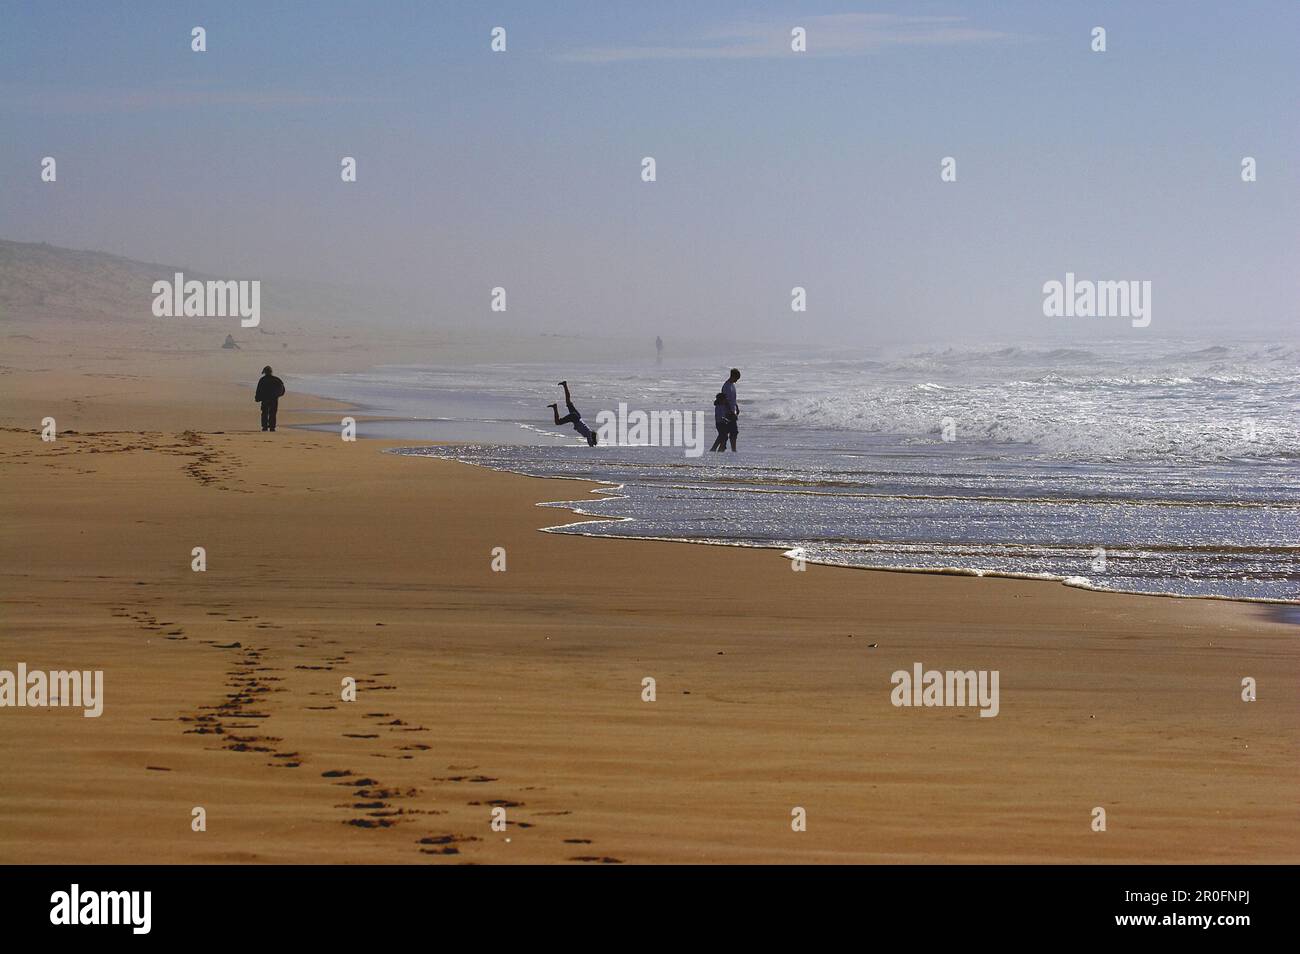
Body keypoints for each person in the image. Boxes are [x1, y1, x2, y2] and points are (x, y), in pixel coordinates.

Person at [548, 380, 598, 446]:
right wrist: (593, 447)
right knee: (557, 422)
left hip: (578, 417)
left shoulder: (589, 432)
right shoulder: (589, 434)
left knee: (568, 402)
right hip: (575, 418)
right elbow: (590, 444)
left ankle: (565, 385)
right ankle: (555, 407)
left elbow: (590, 441)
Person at [254, 366, 286, 432]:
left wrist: (257, 398)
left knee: (264, 413)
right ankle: (272, 427)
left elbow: (258, 390)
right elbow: (282, 390)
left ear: (265, 372)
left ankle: (264, 427)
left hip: (265, 399)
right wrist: (277, 395)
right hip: (274, 399)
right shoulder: (277, 379)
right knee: (273, 413)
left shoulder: (262, 380)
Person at [720, 368, 740, 451]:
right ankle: (731, 450)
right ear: (733, 376)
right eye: (736, 378)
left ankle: (732, 449)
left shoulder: (732, 385)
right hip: (727, 413)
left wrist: (736, 407)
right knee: (731, 432)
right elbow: (725, 401)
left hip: (732, 411)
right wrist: (731, 412)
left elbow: (733, 399)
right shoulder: (726, 386)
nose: (736, 381)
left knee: (732, 432)